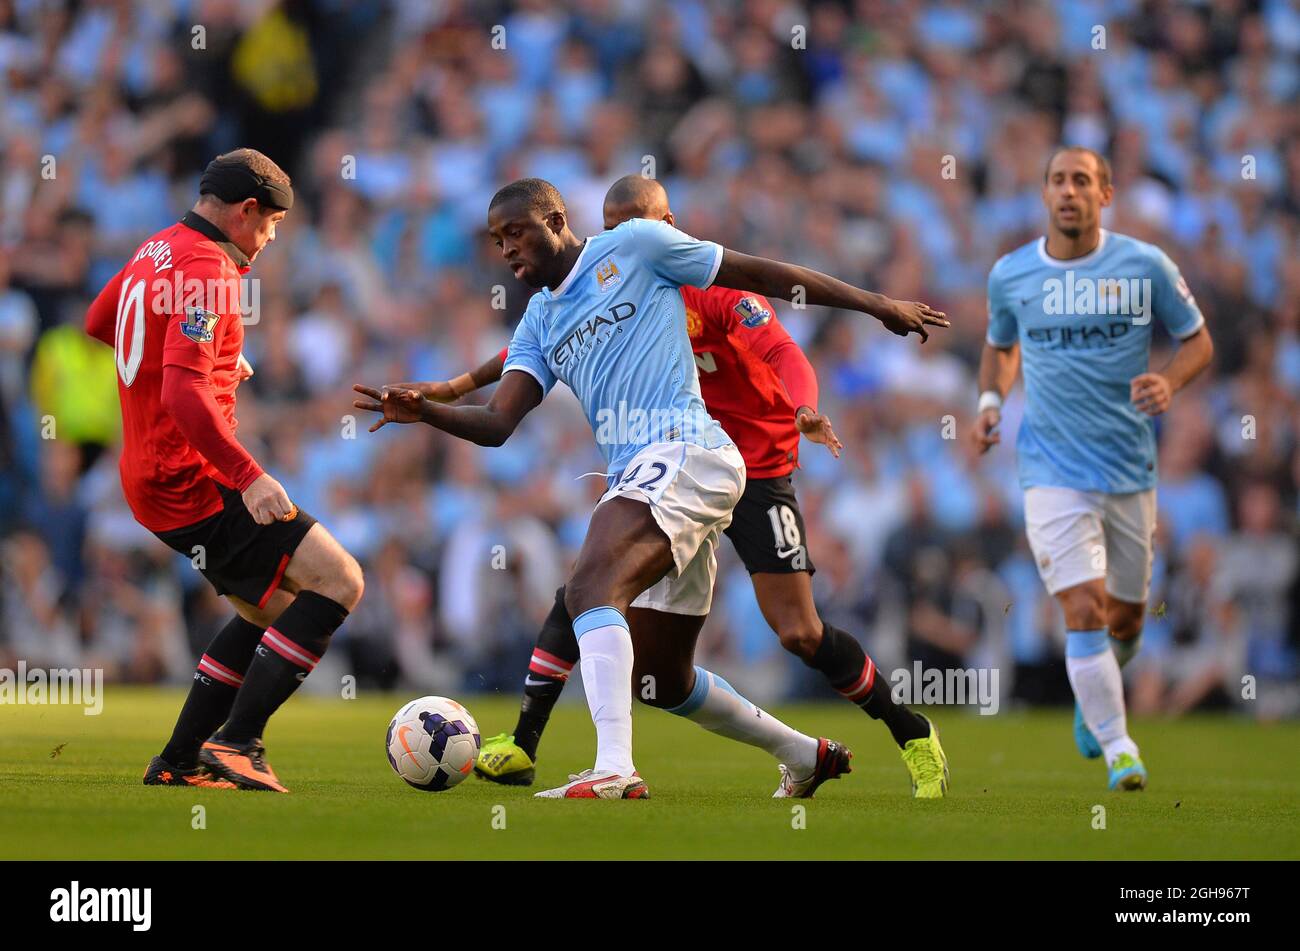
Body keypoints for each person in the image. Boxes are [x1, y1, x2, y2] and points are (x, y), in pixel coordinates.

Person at [355, 177, 945, 799]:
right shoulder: (541, 317)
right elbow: (499, 421)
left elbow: (769, 282)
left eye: (516, 233)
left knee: (600, 589)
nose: (505, 250)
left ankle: (609, 766)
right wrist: (430, 407)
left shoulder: (644, 253)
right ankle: (805, 755)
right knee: (658, 676)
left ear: (558, 219)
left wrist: (877, 306)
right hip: (654, 472)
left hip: (701, 455)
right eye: (497, 239)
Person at [84, 149, 364, 792]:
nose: (269, 241)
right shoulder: (211, 269)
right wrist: (249, 475)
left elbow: (102, 322)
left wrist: (202, 361)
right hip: (195, 476)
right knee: (340, 582)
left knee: (275, 611)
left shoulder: (158, 246)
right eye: (270, 226)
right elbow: (182, 397)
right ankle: (237, 743)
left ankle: (178, 762)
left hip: (148, 478)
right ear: (246, 212)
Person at [972, 146, 1214, 791]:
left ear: (1105, 194)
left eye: (1082, 180)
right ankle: (1120, 748)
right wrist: (991, 401)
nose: (1068, 191)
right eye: (1057, 180)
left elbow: (1199, 340)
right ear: (1044, 194)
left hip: (1129, 469)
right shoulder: (1013, 273)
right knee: (1082, 607)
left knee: (1127, 621)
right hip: (1050, 470)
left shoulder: (1143, 265)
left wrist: (1168, 384)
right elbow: (1001, 345)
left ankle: (1097, 694)